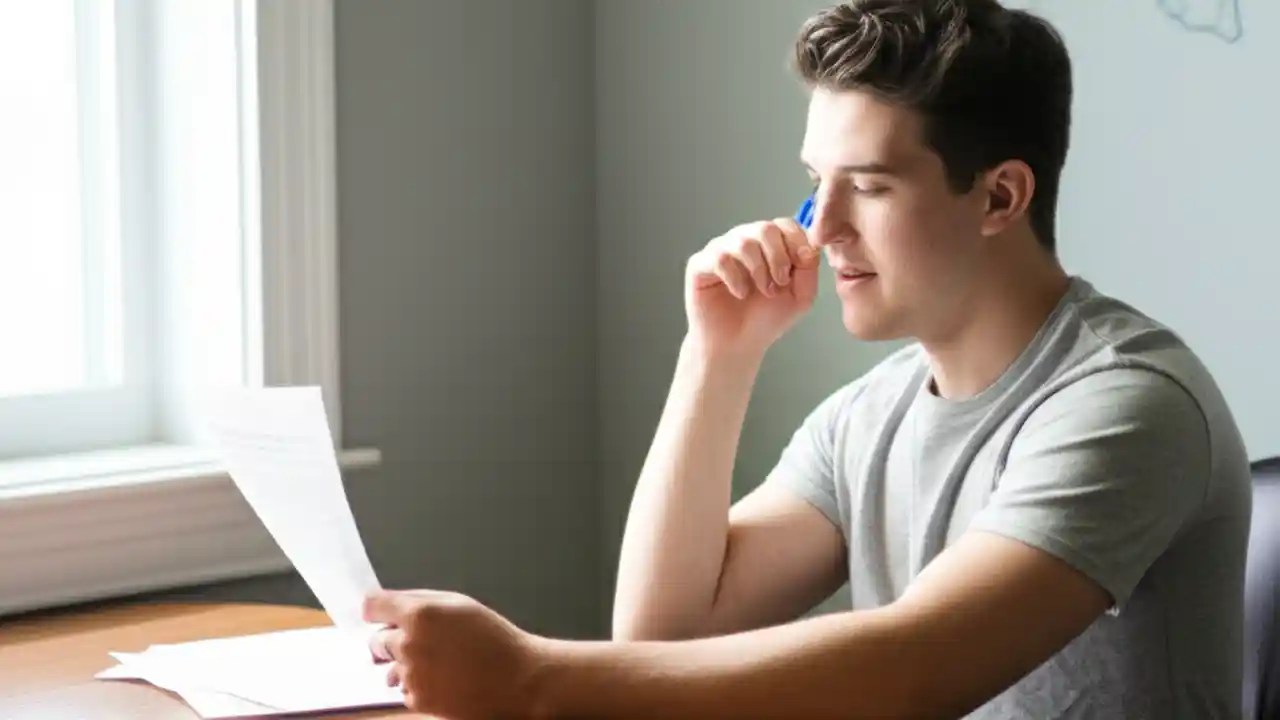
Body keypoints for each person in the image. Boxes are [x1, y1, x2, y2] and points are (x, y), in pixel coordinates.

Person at [364, 1, 1253, 717]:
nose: (819, 228)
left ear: (1001, 195)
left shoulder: (1128, 408)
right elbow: (664, 638)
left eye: (866, 187)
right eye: (815, 182)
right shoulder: (874, 412)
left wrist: (531, 680)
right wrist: (717, 357)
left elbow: (917, 673)